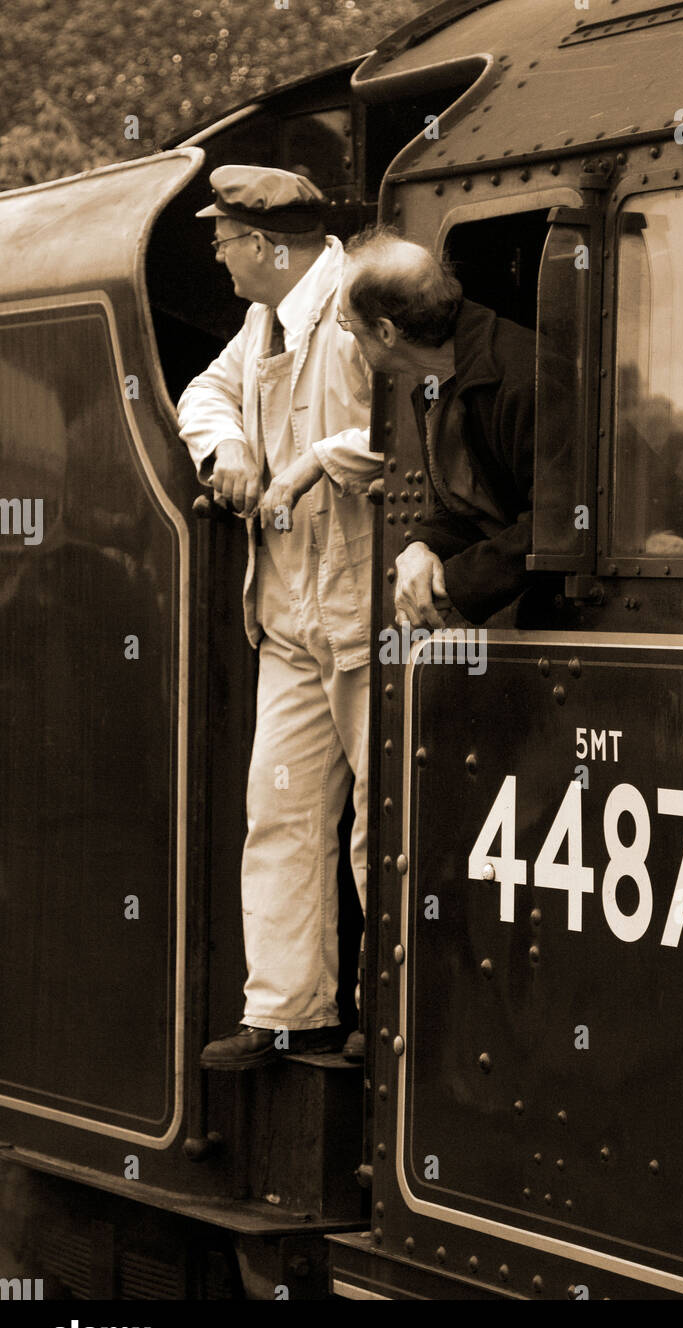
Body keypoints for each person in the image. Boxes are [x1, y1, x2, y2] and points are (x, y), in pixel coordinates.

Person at [177, 166, 381, 1068]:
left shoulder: (357, 306)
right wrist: (226, 446)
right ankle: (289, 1011)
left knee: (384, 820)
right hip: (292, 611)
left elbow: (409, 423)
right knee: (282, 810)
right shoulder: (266, 319)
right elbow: (205, 393)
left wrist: (310, 463)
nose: (219, 259)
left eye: (225, 242)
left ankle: (392, 1017)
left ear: (268, 246)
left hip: (368, 605)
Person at [338, 226, 540, 630]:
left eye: (348, 324)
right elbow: (467, 506)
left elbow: (559, 523)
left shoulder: (522, 379)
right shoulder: (437, 378)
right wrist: (421, 546)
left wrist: (455, 581)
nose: (350, 338)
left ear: (385, 332)